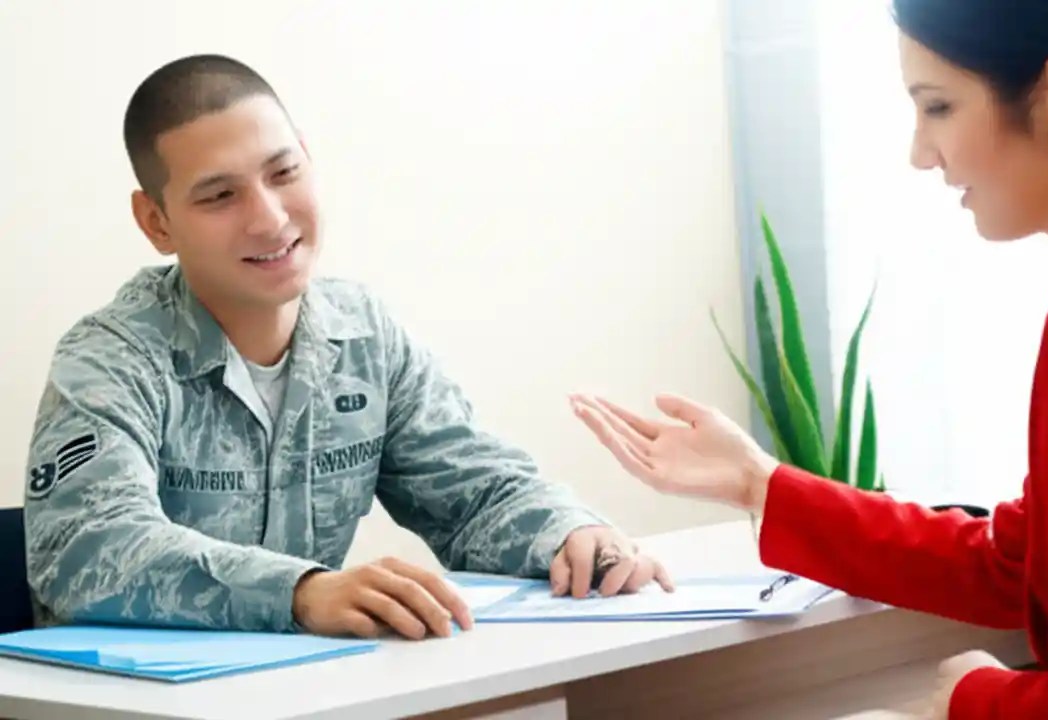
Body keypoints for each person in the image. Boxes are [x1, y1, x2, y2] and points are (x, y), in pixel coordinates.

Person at [572, 0, 1048, 717]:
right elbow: (1013, 563)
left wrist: (971, 695)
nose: (921, 152)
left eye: (938, 107)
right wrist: (761, 484)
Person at [23, 54, 671, 641]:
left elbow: (476, 491)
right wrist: (300, 592)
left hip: (311, 695)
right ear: (156, 222)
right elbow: (86, 548)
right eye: (220, 196)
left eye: (284, 172)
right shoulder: (110, 359)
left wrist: (569, 531)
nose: (271, 218)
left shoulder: (365, 338)